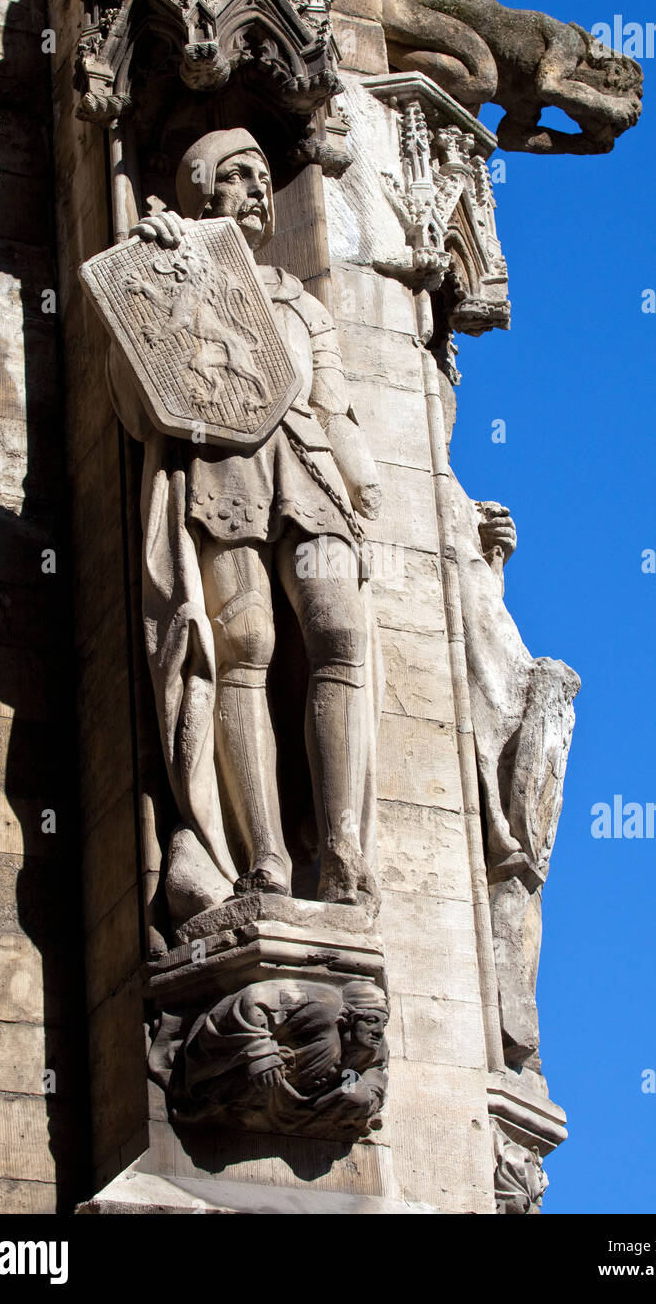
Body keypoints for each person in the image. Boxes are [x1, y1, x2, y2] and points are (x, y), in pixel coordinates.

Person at [106, 129, 384, 915]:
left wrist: (363, 478)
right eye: (237, 175)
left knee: (338, 630)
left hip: (307, 463)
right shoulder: (170, 264)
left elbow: (333, 403)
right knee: (247, 643)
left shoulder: (301, 301)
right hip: (225, 462)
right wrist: (155, 272)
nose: (260, 188)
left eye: (266, 175)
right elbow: (135, 401)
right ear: (199, 189)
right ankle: (262, 855)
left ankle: (341, 847)